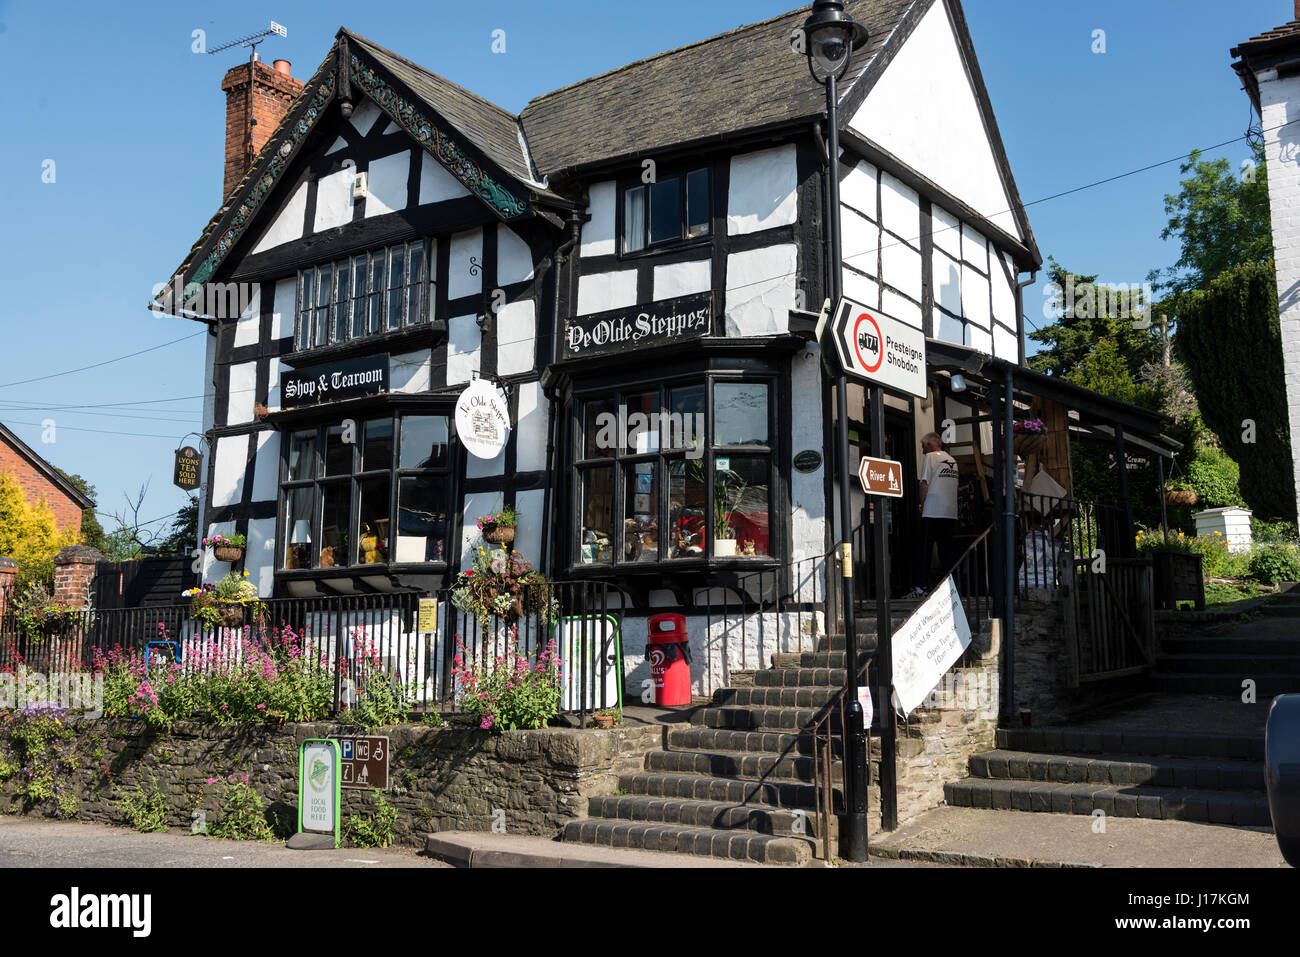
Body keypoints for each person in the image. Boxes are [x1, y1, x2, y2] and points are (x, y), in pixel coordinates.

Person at [911, 432, 960, 595]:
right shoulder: (952, 460)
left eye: (923, 447)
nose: (923, 452)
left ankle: (921, 587)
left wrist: (921, 505)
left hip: (932, 511)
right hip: (950, 513)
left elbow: (924, 484)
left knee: (924, 551)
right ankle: (950, 589)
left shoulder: (930, 457)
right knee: (947, 553)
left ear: (930, 445)